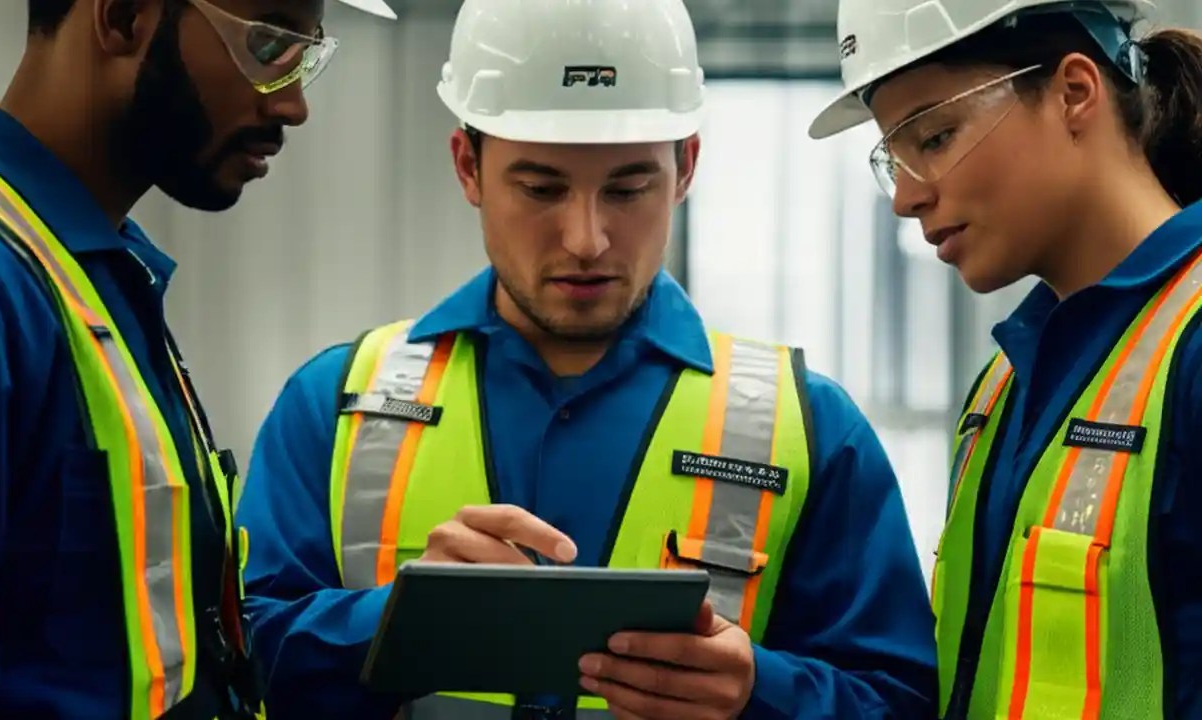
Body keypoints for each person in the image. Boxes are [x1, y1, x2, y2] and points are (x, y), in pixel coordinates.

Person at [236, 0, 938, 717]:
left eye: (628, 189)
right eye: (541, 189)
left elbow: (898, 701)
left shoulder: (811, 431)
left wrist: (759, 693)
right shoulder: (333, 406)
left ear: (686, 168)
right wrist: (385, 624)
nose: (586, 240)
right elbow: (236, 658)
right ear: (468, 168)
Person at [0, 0, 395, 717]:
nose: (293, 105)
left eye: (307, 56)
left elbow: (182, 647)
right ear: (121, 17)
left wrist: (413, 620)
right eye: (268, 44)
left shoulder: (88, 275)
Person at [810, 0, 1202, 716]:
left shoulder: (1191, 347)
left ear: (1073, 92)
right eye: (892, 157)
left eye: (934, 136)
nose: (905, 197)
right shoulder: (1003, 386)